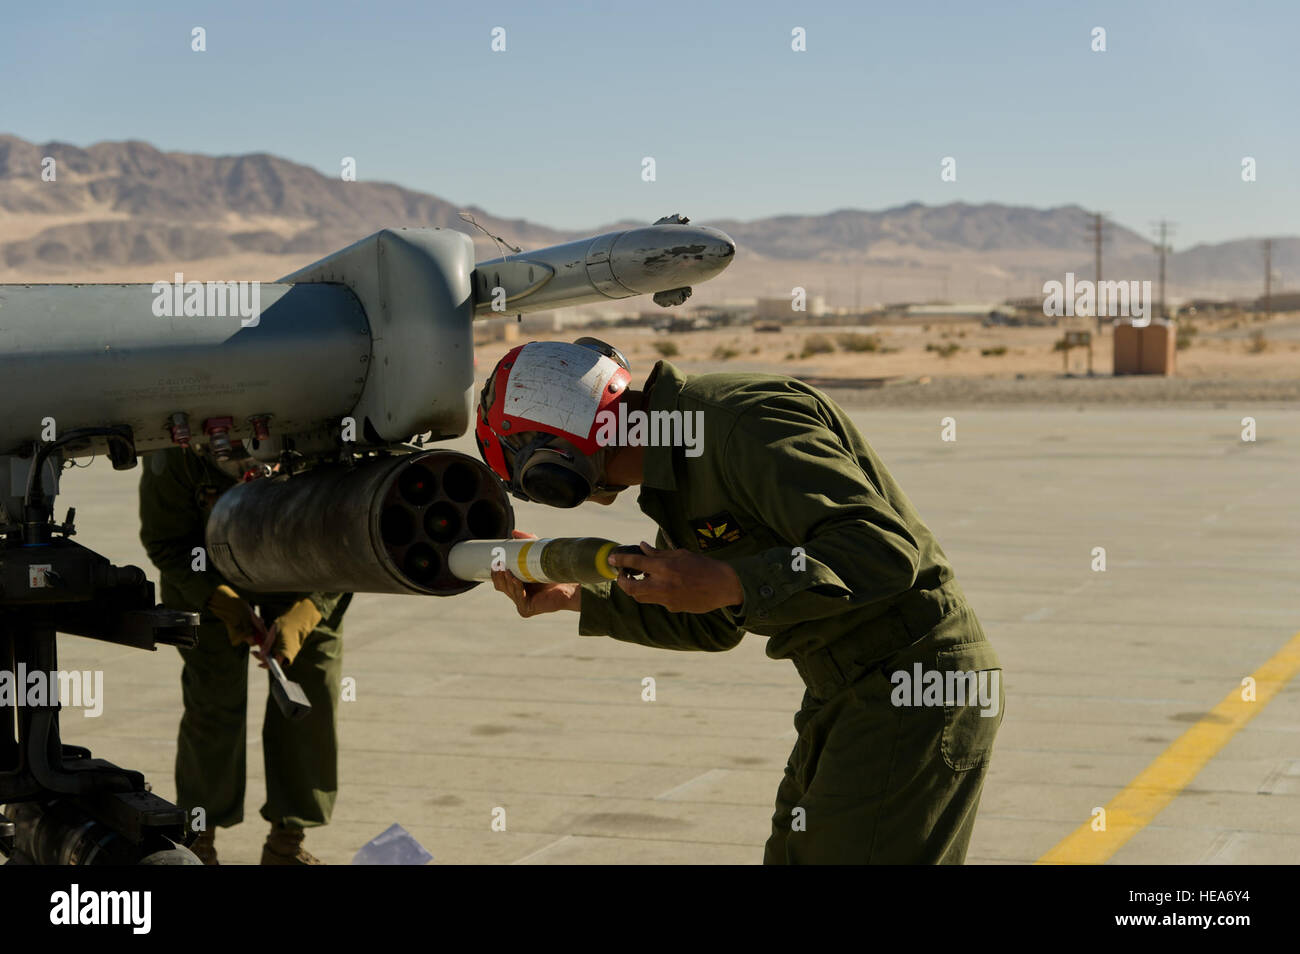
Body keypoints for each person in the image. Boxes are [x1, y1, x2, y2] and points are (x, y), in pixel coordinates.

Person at [475, 338, 1003, 864]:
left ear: (557, 460)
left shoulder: (734, 423)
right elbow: (713, 623)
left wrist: (732, 581)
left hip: (913, 682)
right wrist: (574, 594)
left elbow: (881, 550)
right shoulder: (676, 468)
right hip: (847, 689)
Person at [138, 444, 350, 865]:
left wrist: (310, 610)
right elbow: (166, 541)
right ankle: (199, 844)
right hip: (204, 570)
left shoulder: (322, 434)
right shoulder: (175, 452)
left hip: (306, 565)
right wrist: (217, 599)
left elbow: (350, 535)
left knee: (310, 696)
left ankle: (286, 846)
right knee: (211, 704)